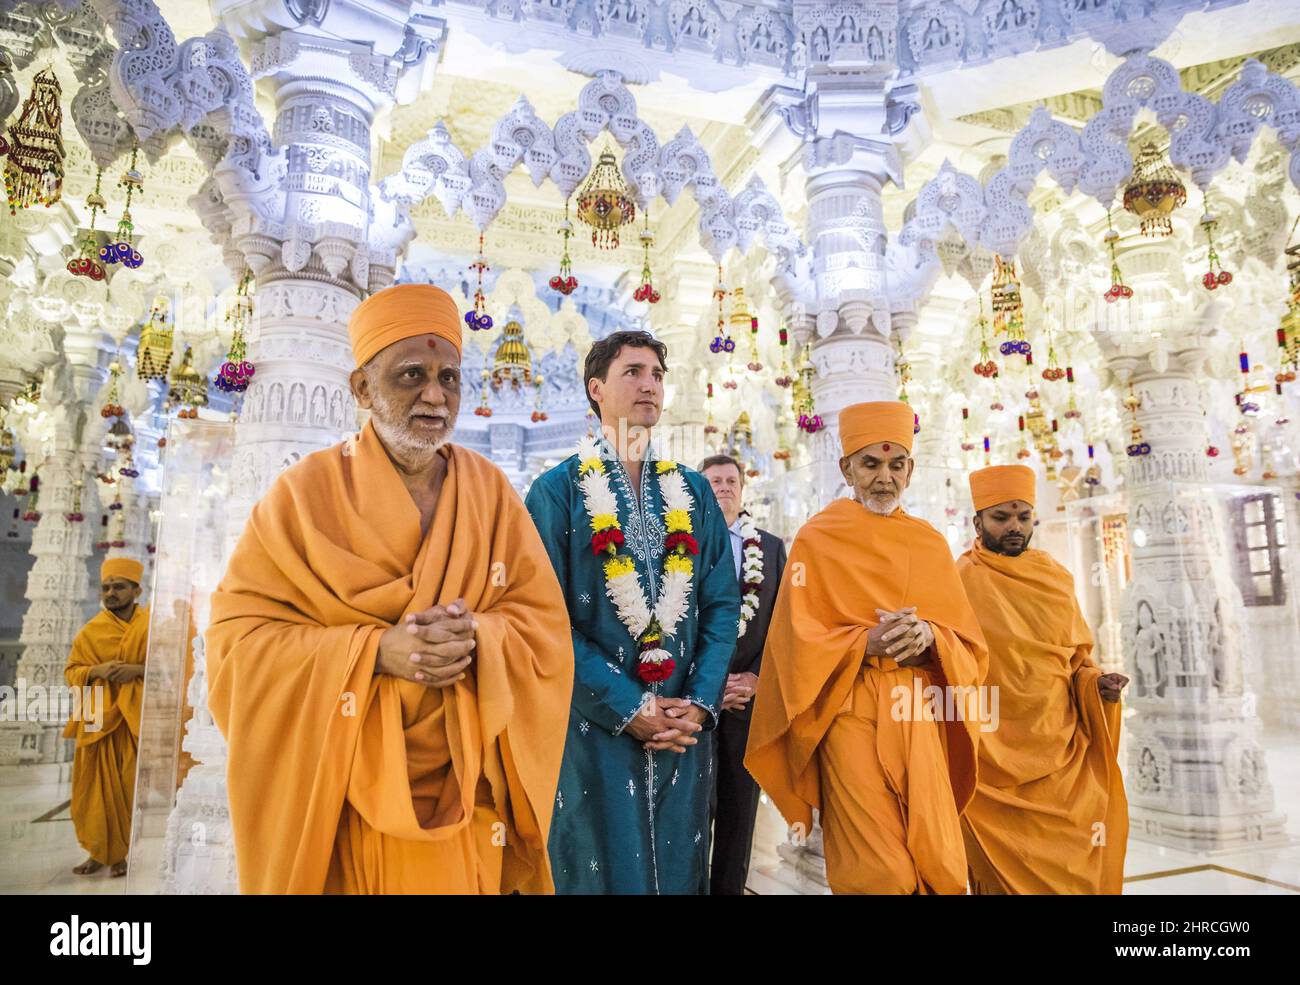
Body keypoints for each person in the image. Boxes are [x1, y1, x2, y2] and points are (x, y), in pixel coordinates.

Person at [205, 283, 573, 894]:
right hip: (345, 783)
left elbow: (543, 625)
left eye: (449, 378)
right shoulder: (303, 495)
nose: (435, 395)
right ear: (362, 389)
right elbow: (237, 647)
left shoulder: (489, 492)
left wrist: (478, 635)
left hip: (466, 775)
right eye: (411, 376)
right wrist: (375, 652)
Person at [525, 330, 740, 894]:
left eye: (657, 375)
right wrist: (628, 706)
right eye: (633, 372)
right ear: (596, 389)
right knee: (597, 864)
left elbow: (722, 605)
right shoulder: (556, 493)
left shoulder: (692, 493)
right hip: (593, 732)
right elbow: (541, 620)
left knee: (679, 869)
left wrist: (697, 703)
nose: (649, 385)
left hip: (683, 738)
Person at [746, 400, 987, 894]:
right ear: (847, 469)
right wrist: (864, 642)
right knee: (879, 869)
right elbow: (793, 643)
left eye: (896, 465)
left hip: (918, 712)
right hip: (847, 710)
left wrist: (931, 637)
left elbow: (970, 646)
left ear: (910, 470)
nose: (884, 478)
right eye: (871, 464)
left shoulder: (929, 544)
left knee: (937, 856)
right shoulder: (819, 538)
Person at [957, 464, 1129, 894]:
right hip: (990, 759)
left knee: (1073, 868)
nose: (1014, 527)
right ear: (977, 522)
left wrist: (1099, 685)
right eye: (1001, 518)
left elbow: (1077, 664)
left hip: (1059, 753)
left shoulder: (1055, 579)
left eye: (1024, 517)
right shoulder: (957, 581)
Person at [698, 453, 786, 895]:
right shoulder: (682, 545)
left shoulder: (770, 547)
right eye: (714, 481)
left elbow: (783, 625)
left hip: (748, 703)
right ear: (699, 490)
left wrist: (754, 678)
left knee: (739, 813)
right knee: (695, 811)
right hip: (694, 702)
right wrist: (710, 686)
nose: (724, 487)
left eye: (731, 480)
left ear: (743, 488)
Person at [64, 557, 149, 877]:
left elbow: (173, 667)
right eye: (106, 587)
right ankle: (97, 851)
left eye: (119, 587)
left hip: (133, 718)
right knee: (91, 790)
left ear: (136, 589)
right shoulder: (91, 632)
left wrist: (139, 670)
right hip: (97, 719)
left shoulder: (150, 626)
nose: (110, 593)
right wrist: (95, 671)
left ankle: (122, 854)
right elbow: (71, 672)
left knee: (127, 787)